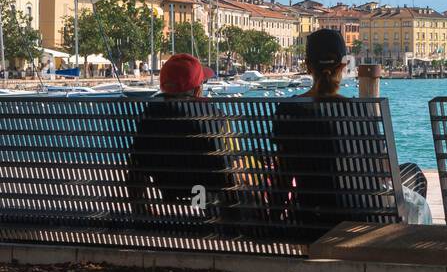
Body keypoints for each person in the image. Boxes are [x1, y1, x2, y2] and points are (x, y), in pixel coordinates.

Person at [272, 29, 431, 237]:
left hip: (311, 222)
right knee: (414, 172)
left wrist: (274, 219)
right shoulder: (359, 111)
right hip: (364, 219)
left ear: (308, 66)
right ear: (344, 66)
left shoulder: (286, 111)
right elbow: (383, 170)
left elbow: (283, 175)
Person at [126, 53, 234, 229]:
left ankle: (141, 209)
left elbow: (137, 162)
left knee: (136, 158)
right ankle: (219, 216)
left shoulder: (150, 114)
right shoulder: (212, 114)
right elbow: (224, 166)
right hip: (202, 191)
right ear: (197, 88)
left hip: (169, 186)